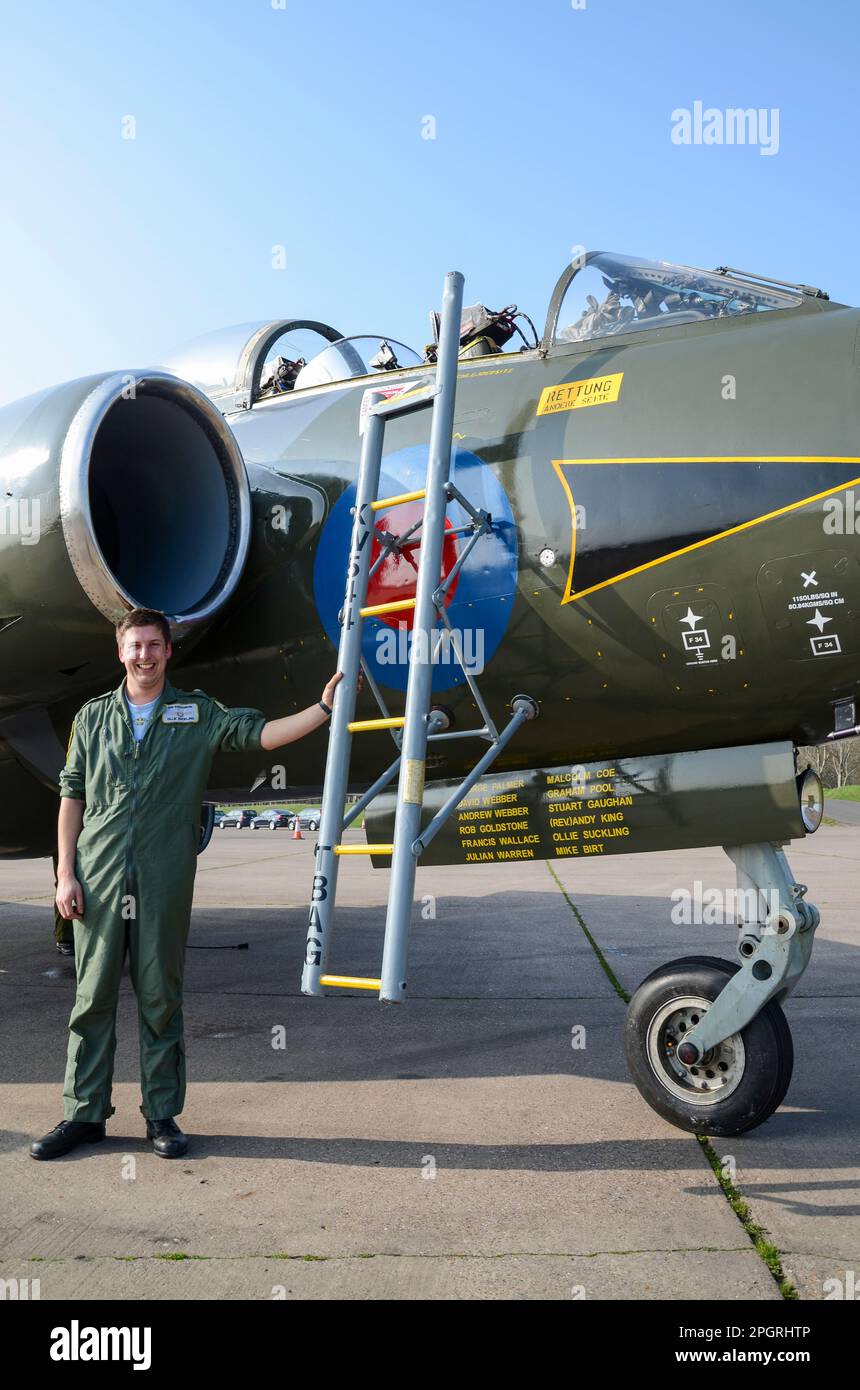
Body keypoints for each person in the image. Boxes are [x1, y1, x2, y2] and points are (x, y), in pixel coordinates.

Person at [30, 607, 341, 1161]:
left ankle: (162, 1115)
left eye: (154, 645)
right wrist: (64, 873)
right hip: (98, 876)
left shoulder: (195, 713)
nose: (144, 655)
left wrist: (321, 709)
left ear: (168, 651)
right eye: (135, 646)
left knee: (159, 997)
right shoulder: (92, 718)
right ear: (120, 652)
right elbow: (71, 795)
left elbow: (260, 736)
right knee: (91, 998)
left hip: (164, 877)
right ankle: (83, 1115)